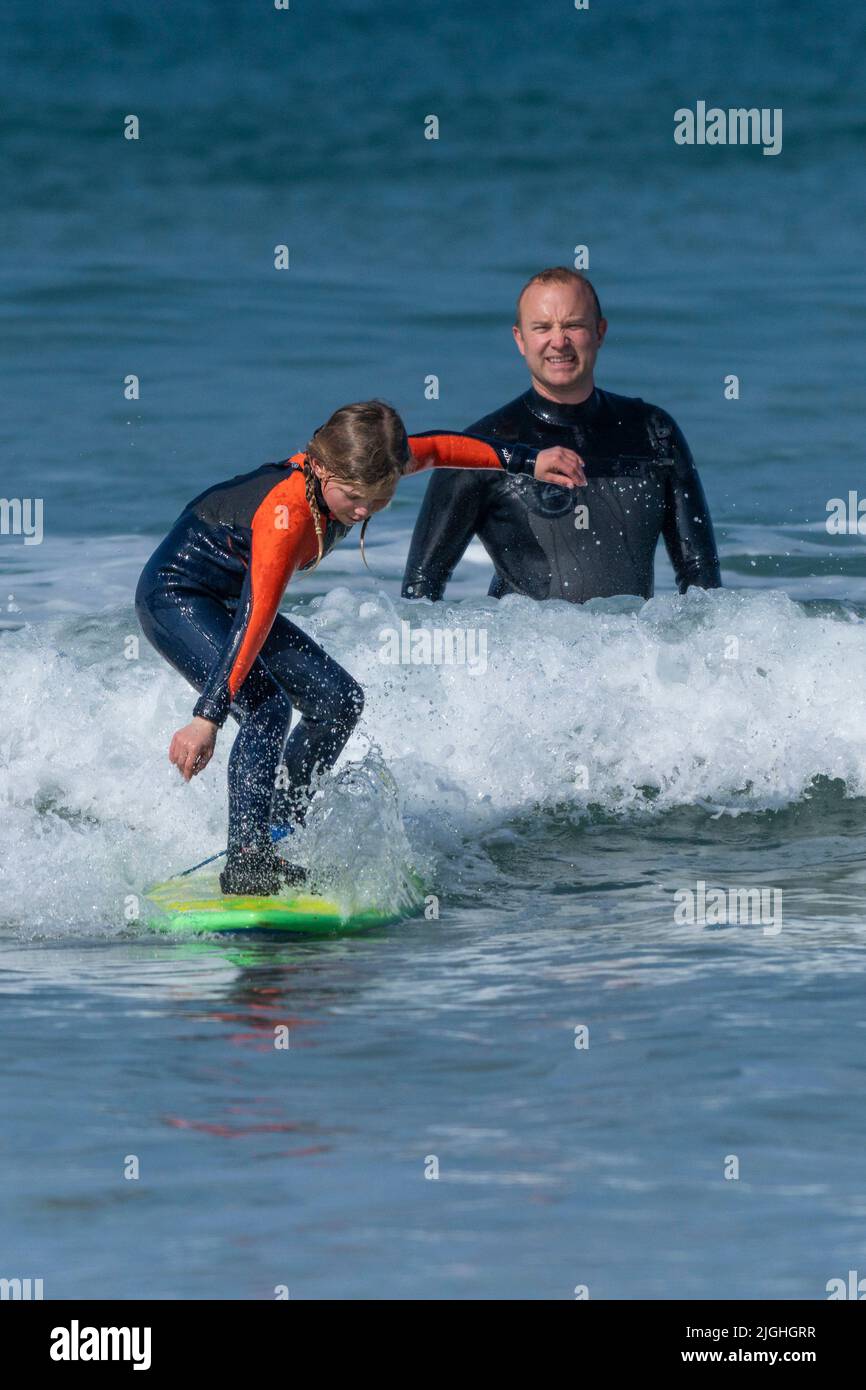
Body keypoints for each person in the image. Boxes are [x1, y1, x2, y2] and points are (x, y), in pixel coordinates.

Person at [135, 400, 581, 895]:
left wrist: (528, 460)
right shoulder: (287, 516)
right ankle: (247, 862)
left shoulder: (375, 463)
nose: (365, 510)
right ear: (322, 468)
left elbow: (440, 448)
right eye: (353, 498)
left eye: (380, 498)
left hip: (229, 598)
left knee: (337, 700)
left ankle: (279, 830)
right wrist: (207, 717)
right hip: (177, 595)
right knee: (265, 707)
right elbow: (256, 616)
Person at [401, 267, 721, 604]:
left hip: (631, 640)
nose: (558, 341)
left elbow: (701, 577)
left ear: (600, 332)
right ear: (520, 339)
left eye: (573, 325)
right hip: (522, 640)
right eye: (542, 328)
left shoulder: (654, 432)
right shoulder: (481, 449)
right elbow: (421, 589)